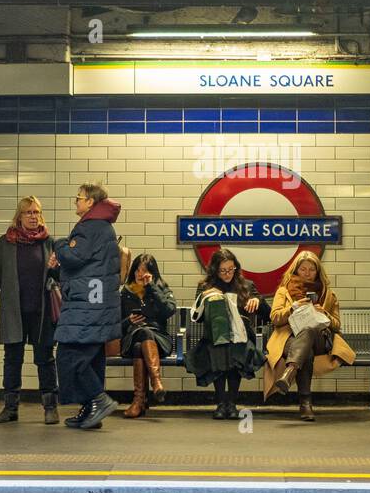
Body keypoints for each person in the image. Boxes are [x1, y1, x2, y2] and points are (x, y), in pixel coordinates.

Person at [0, 196, 61, 425]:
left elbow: (59, 279)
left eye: (37, 212)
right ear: (20, 216)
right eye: (29, 213)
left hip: (41, 312)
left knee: (45, 359)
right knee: (12, 359)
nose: (34, 217)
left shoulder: (49, 243)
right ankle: (10, 407)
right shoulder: (5, 243)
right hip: (13, 312)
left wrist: (55, 270)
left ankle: (50, 407)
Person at [53, 182, 122, 430]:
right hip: (96, 303)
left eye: (79, 198)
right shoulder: (103, 227)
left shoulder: (89, 228)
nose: (76, 201)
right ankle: (91, 410)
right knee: (91, 358)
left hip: (87, 305)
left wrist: (59, 244)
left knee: (70, 356)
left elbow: (73, 257)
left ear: (91, 202)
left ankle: (98, 400)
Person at [262, 251, 355, 422]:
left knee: (310, 330)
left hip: (320, 338)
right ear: (296, 270)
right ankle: (305, 403)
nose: (307, 273)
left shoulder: (328, 294)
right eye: (303, 269)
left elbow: (336, 324)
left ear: (318, 271)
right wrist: (293, 308)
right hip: (289, 338)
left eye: (311, 270)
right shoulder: (284, 291)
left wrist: (324, 313)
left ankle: (289, 372)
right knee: (307, 353)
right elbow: (274, 318)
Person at [188, 249, 266, 419]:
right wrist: (205, 298)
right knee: (220, 348)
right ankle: (222, 403)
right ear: (215, 270)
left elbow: (267, 315)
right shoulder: (205, 287)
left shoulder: (247, 286)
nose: (227, 274)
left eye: (231, 269)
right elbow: (198, 318)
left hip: (242, 338)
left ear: (236, 268)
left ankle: (230, 403)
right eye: (223, 270)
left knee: (234, 349)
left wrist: (257, 301)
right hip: (214, 338)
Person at [119, 253, 178, 418]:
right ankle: (156, 382)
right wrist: (129, 321)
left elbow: (169, 310)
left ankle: (138, 401)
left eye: (144, 271)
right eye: (137, 270)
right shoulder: (127, 291)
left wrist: (152, 287)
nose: (139, 274)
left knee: (142, 343)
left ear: (152, 273)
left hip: (158, 339)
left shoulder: (161, 288)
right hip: (131, 337)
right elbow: (115, 324)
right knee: (141, 335)